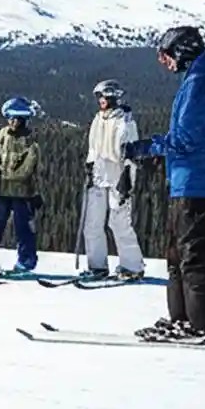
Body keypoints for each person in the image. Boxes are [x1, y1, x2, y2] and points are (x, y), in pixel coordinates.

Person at [126, 26, 205, 345]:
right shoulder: (202, 76)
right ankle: (183, 319)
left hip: (198, 177)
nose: (164, 62)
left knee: (193, 252)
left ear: (182, 50)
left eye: (166, 54)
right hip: (190, 177)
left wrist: (148, 147)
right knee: (177, 251)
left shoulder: (203, 81)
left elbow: (187, 138)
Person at [81, 79, 145, 280]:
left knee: (118, 222)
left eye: (104, 97)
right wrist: (90, 166)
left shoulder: (125, 120)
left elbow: (131, 152)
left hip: (118, 174)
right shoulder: (98, 119)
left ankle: (132, 266)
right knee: (92, 222)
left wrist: (127, 176)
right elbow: (93, 147)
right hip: (99, 175)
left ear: (113, 97)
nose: (101, 100)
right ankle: (97, 265)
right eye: (99, 97)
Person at [0, 97, 42, 274]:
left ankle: (26, 260)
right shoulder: (1, 135)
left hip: (23, 192)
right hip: (1, 190)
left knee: (24, 229)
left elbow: (31, 168)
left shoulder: (31, 140)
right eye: (10, 119)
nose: (12, 122)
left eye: (16, 119)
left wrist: (36, 192)